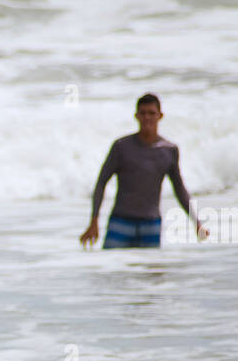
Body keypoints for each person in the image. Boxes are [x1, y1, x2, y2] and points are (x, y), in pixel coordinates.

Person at [80, 93, 208, 249]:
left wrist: (197, 223)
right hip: (120, 223)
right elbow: (101, 182)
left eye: (151, 113)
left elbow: (179, 189)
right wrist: (94, 221)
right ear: (136, 116)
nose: (147, 117)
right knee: (114, 271)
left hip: (151, 225)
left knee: (150, 272)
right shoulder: (121, 147)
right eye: (143, 113)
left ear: (160, 116)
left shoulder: (169, 150)